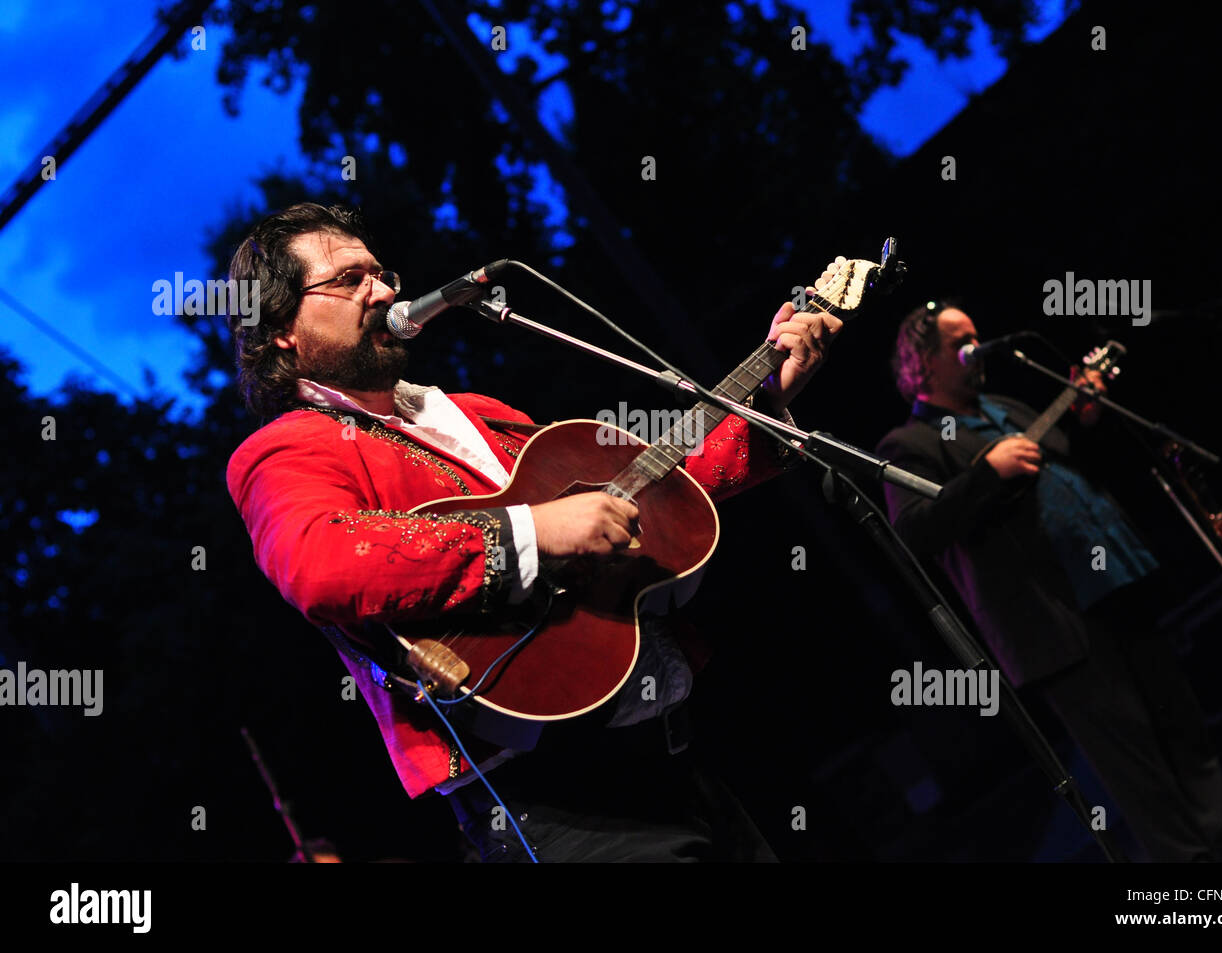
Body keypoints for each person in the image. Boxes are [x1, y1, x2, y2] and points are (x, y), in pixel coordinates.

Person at [224, 203, 841, 861]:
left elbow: (652, 493)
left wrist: (768, 401)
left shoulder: (476, 414)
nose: (383, 291)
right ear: (282, 329)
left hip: (679, 748)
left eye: (381, 273)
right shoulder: (285, 449)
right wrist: (530, 530)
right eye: (349, 280)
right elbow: (322, 564)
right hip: (549, 795)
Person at [874, 299, 1222, 862]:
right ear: (921, 363)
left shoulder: (1003, 406)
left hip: (1113, 584)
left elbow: (1066, 462)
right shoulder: (911, 445)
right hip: (1053, 621)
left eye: (975, 335)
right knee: (1134, 761)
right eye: (960, 342)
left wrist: (1088, 417)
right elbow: (916, 533)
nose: (976, 348)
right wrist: (986, 475)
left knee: (1181, 729)